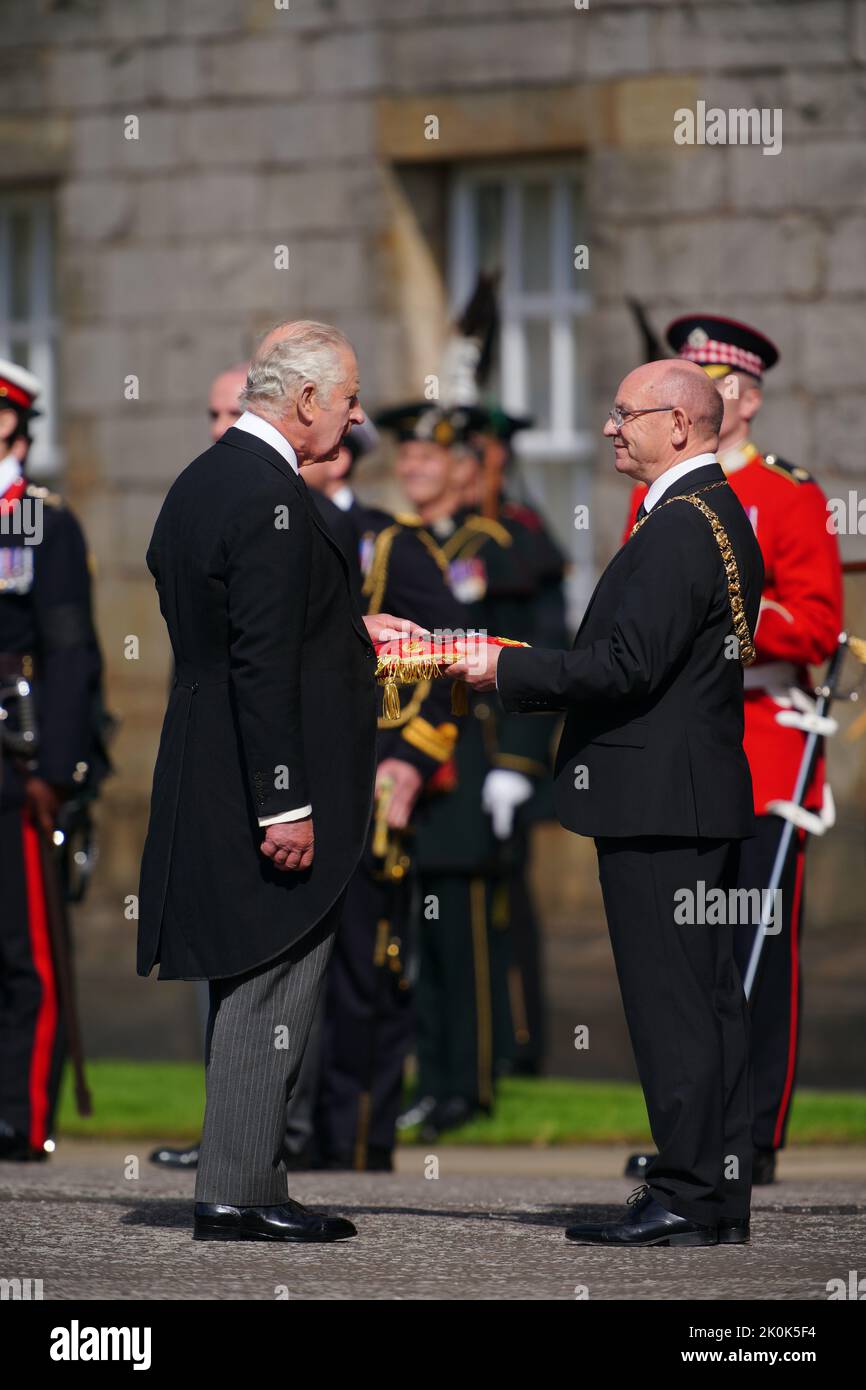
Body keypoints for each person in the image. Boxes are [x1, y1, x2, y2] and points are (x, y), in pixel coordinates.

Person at [450, 360, 764, 1247]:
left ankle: (688, 1192)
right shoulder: (704, 513)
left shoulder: (680, 528)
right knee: (706, 1003)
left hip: (661, 801)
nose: (609, 428)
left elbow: (625, 666)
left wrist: (501, 666)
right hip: (688, 795)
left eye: (625, 414)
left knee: (673, 1004)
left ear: (680, 423)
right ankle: (714, 1195)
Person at [137, 320, 425, 1244]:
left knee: (257, 985)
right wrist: (288, 801)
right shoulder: (268, 495)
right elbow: (260, 661)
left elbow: (239, 628)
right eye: (346, 400)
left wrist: (352, 636)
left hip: (212, 761)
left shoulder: (205, 477)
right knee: (271, 986)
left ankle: (251, 1176)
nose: (353, 416)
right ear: (305, 400)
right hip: (261, 782)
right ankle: (234, 1190)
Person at [621, 315, 843, 1186]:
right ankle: (699, 1133)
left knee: (753, 946)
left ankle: (752, 1135)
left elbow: (820, 624)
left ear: (739, 398)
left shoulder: (788, 495)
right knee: (689, 957)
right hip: (680, 740)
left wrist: (718, 623)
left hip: (760, 740)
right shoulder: (657, 494)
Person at [288, 425, 466, 1170]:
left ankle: (357, 1140)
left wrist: (409, 762)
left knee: (365, 971)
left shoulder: (388, 540)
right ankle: (279, 1135)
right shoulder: (272, 526)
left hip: (370, 783)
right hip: (292, 784)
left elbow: (447, 650)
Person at [384, 403, 541, 1138]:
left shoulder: (499, 548)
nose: (416, 468)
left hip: (473, 758)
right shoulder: (392, 545)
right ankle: (430, 1077)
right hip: (411, 754)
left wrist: (516, 764)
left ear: (461, 468)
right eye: (407, 457)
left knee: (467, 930)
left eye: (431, 457)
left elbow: (538, 659)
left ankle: (469, 1084)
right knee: (418, 928)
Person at [0, 360, 102, 1161]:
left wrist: (55, 770)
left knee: (24, 951)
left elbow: (71, 655)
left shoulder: (41, 522)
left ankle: (20, 1116)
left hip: (14, 763)